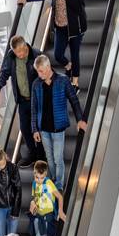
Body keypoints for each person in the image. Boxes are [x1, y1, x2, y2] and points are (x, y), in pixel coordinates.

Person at [20, 0, 89, 88]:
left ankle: (75, 82)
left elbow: (78, 7)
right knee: (57, 55)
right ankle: (68, 66)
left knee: (75, 55)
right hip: (60, 27)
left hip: (75, 28)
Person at [30, 55, 87, 190]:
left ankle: (59, 186)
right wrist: (34, 129)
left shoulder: (63, 80)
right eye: (38, 71)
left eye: (41, 71)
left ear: (48, 67)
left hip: (58, 128)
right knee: (49, 159)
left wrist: (80, 119)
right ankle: (54, 180)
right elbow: (34, 108)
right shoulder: (36, 84)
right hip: (43, 128)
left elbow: (74, 100)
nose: (39, 74)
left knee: (57, 158)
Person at [0, 36, 45, 165]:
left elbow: (46, 75)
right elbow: (4, 72)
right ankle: (33, 154)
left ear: (24, 47)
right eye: (16, 53)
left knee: (38, 127)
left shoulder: (36, 55)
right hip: (22, 101)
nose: (18, 55)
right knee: (25, 129)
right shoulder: (11, 57)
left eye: (19, 52)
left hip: (37, 100)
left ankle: (42, 156)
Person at [30, 160, 65, 236]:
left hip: (47, 217)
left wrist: (60, 211)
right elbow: (35, 197)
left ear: (45, 175)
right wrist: (33, 203)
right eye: (37, 177)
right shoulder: (34, 184)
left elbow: (60, 197)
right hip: (37, 215)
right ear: (34, 174)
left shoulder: (49, 183)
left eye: (41, 178)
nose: (39, 180)